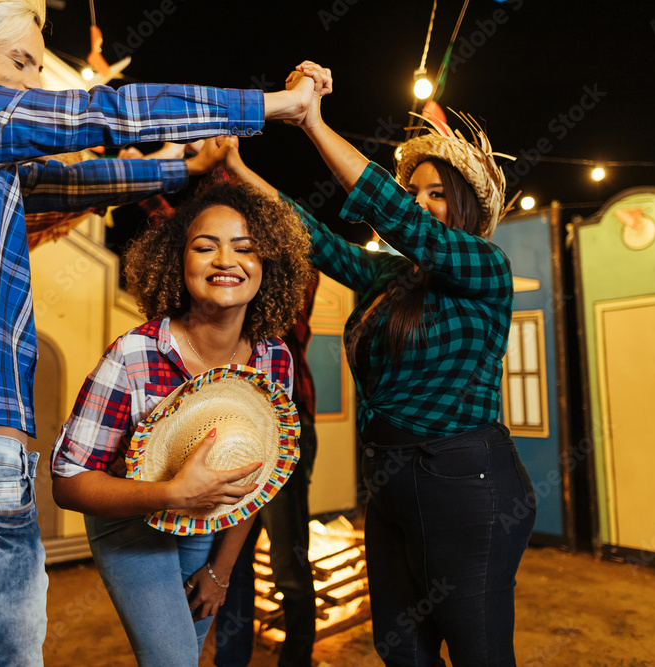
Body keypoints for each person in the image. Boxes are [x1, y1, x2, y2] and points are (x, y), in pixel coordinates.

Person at [0, 0, 316, 662]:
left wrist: (180, 170)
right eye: (21, 61)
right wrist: (272, 108)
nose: (32, 82)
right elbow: (101, 114)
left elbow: (74, 182)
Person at [222, 63, 537, 666]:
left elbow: (395, 217)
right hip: (389, 481)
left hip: (464, 480)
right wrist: (238, 172)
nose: (419, 203)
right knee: (402, 651)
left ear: (467, 207)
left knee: (480, 653)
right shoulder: (388, 278)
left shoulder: (484, 267)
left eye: (436, 193)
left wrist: (311, 122)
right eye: (414, 190)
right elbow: (309, 234)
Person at [49, 179, 314, 666]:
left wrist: (222, 570)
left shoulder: (273, 356)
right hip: (129, 519)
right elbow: (68, 482)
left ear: (267, 265)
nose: (225, 260)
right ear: (178, 262)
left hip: (205, 522)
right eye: (204, 247)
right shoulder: (135, 355)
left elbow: (258, 476)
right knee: (172, 659)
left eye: (245, 248)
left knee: (184, 656)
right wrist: (173, 494)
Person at [214, 272, 319, 667]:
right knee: (230, 561)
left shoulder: (290, 280)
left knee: (288, 562)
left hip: (286, 430)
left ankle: (296, 661)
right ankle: (231, 660)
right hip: (232, 431)